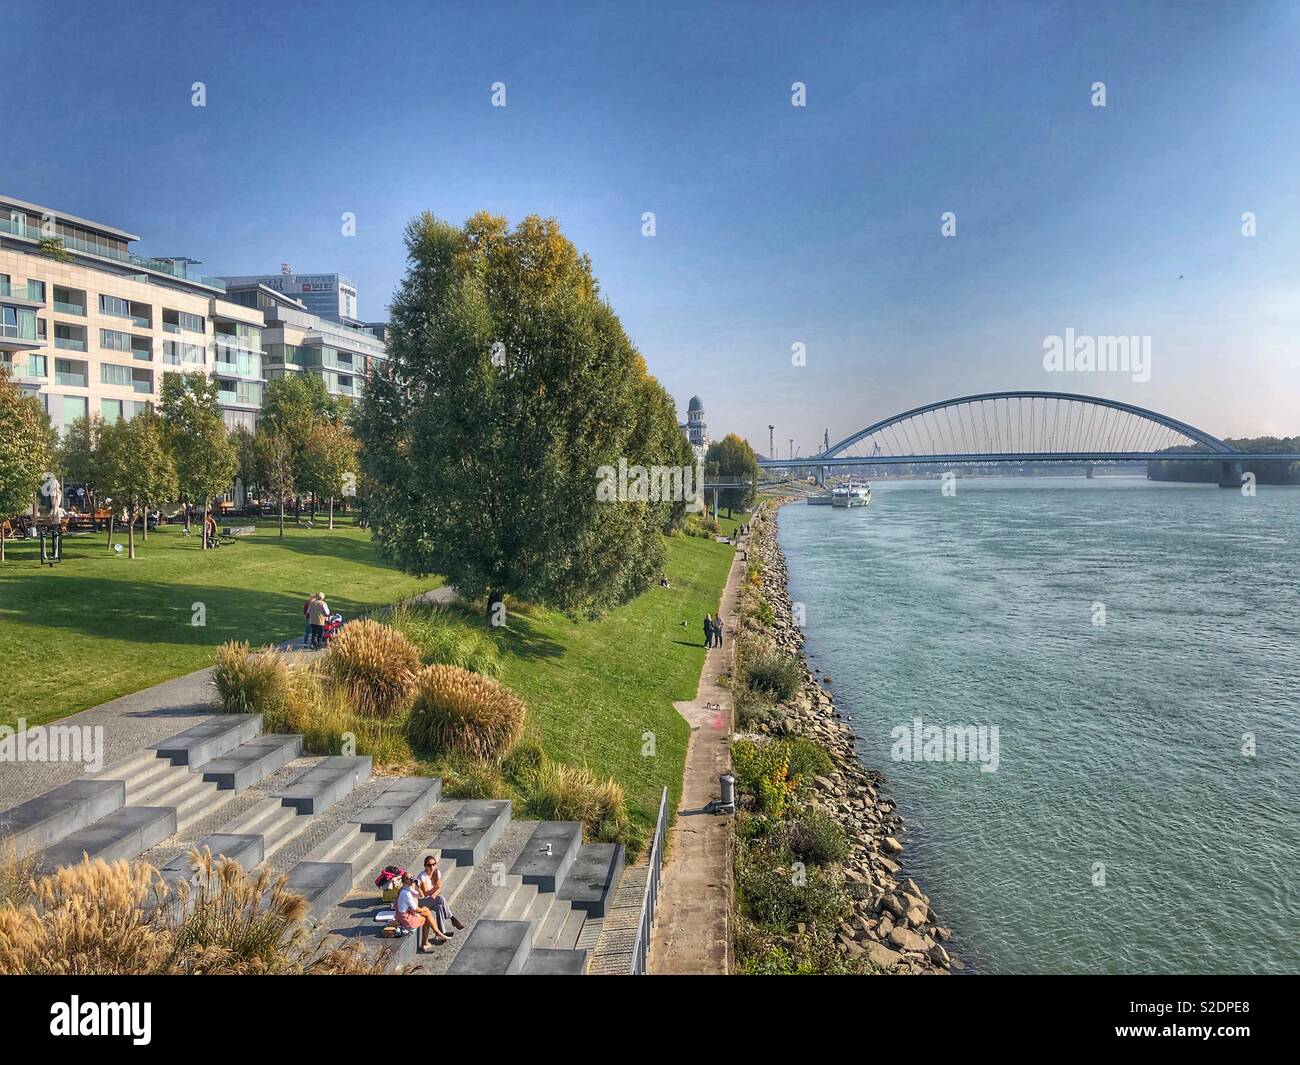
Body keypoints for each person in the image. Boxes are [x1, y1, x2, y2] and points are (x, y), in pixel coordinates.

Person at [393, 873, 445, 952]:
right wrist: (424, 910)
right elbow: (415, 909)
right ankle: (427, 941)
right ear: (404, 881)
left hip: (402, 916)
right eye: (408, 878)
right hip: (406, 920)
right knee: (427, 917)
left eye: (412, 877)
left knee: (427, 912)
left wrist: (418, 886)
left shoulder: (406, 889)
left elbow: (421, 896)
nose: (411, 879)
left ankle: (436, 934)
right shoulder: (406, 893)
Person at [416, 854, 464, 935]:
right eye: (429, 865)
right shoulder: (422, 876)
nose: (431, 867)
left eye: (433, 864)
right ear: (425, 866)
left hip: (431, 899)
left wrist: (434, 894)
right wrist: (435, 889)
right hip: (421, 901)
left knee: (440, 907)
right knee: (440, 898)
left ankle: (442, 933)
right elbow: (425, 893)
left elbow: (439, 889)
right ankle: (452, 918)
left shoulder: (437, 872)